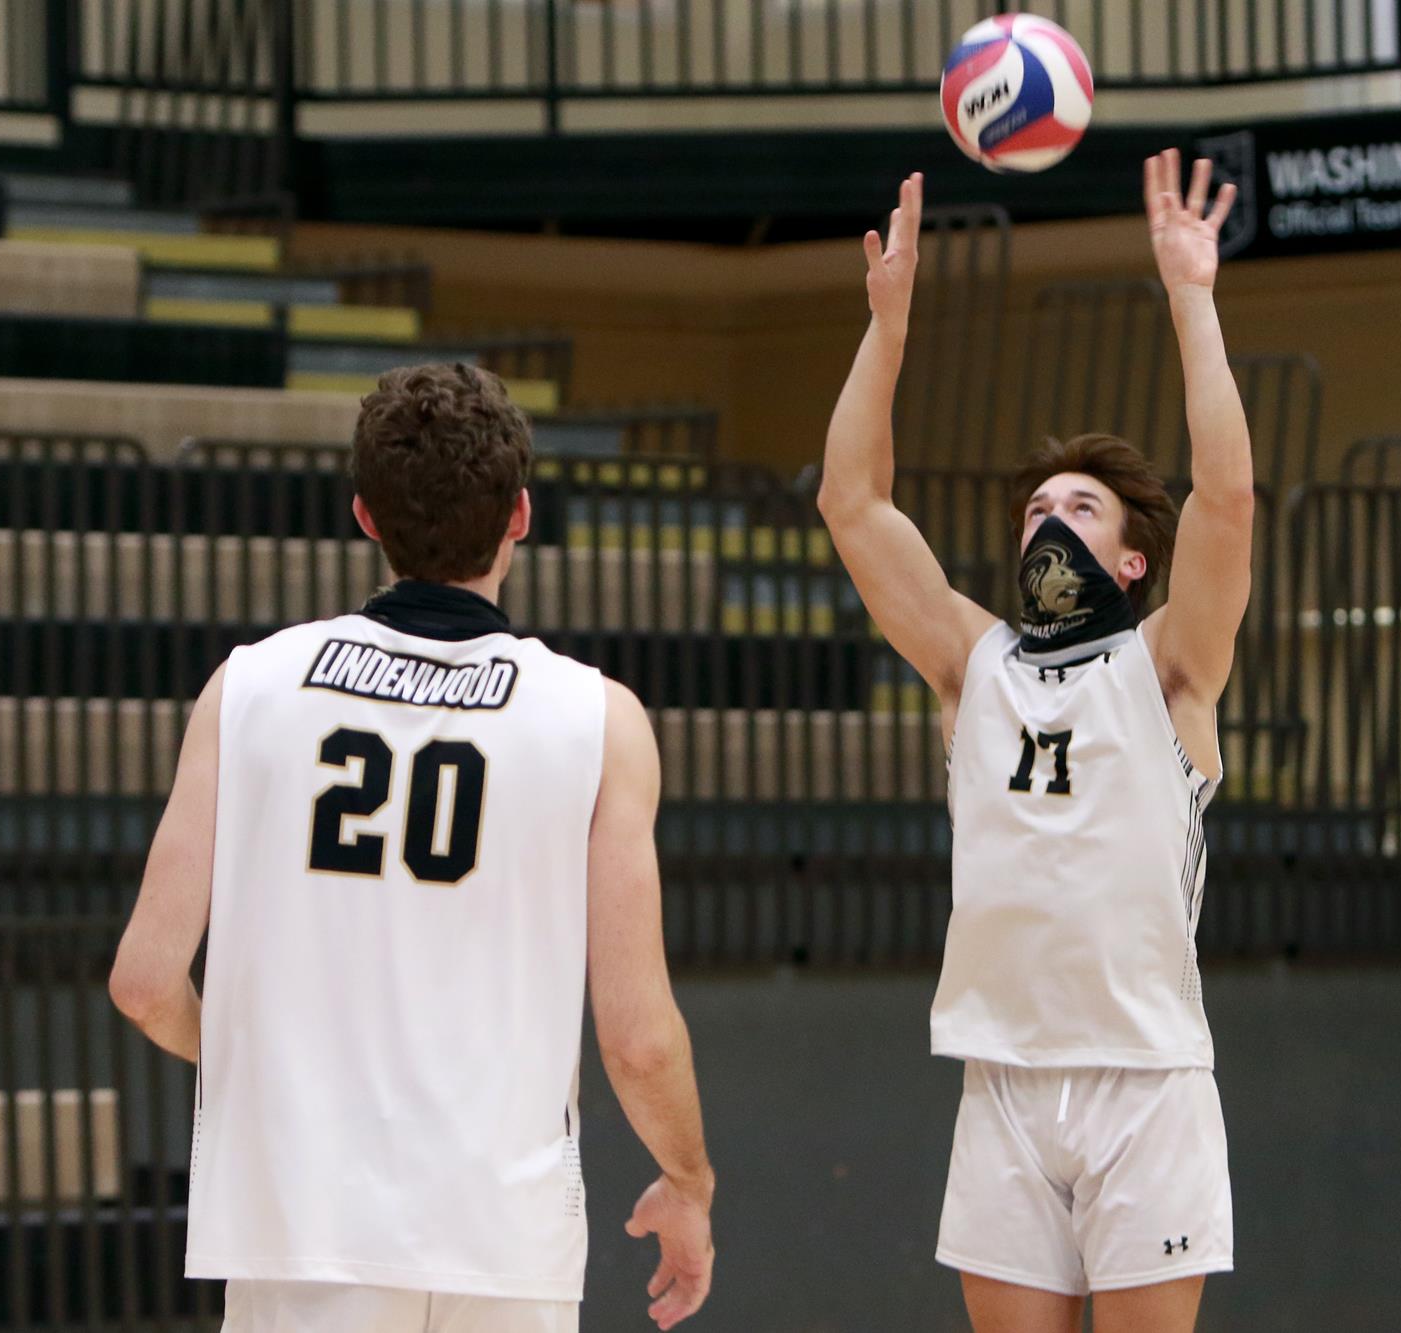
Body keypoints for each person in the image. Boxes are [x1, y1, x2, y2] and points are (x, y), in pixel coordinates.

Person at [110, 364, 715, 1333]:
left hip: (298, 1224)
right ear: (519, 515)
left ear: (364, 514)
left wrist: (256, 1056)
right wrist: (689, 1181)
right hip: (505, 1240)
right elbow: (637, 1039)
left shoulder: (249, 688)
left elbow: (144, 982)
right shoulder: (596, 719)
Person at [816, 152, 1253, 1333]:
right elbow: (850, 503)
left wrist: (1190, 298)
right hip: (1001, 1079)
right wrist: (887, 325)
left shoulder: (1164, 668)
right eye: (1032, 508)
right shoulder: (973, 664)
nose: (1045, 518)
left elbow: (1226, 498)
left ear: (1127, 563)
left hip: (1143, 1078)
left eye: (1078, 506)